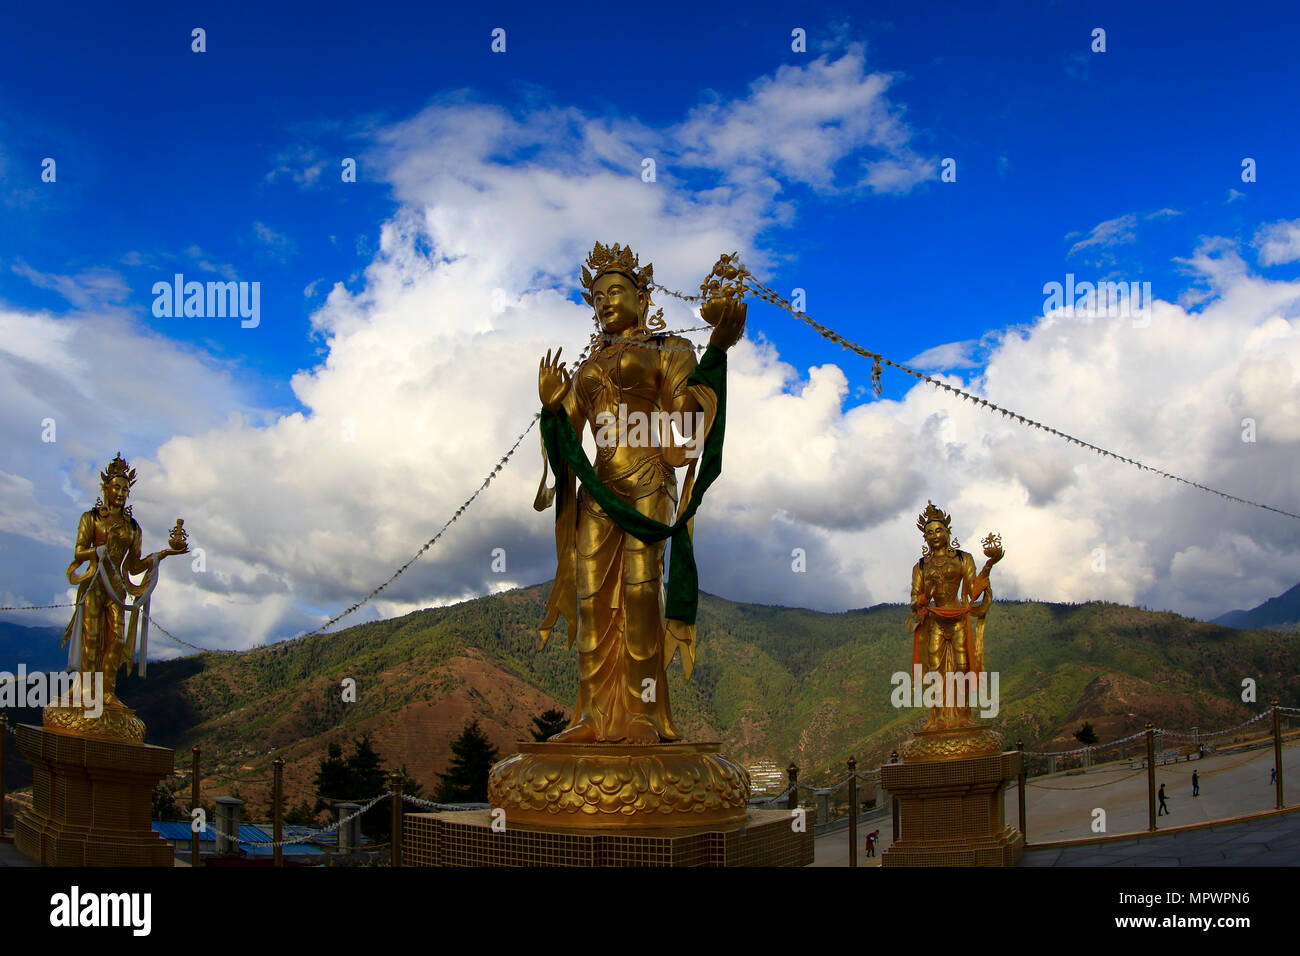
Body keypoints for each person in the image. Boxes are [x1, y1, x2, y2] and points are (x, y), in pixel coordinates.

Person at [536, 243, 746, 743]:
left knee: (641, 594)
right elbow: (567, 447)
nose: (606, 302)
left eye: (616, 291)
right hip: (598, 494)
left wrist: (715, 348)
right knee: (593, 603)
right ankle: (591, 715)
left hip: (649, 481)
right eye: (596, 296)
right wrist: (551, 408)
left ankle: (644, 713)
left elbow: (688, 422)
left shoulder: (668, 349)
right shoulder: (586, 370)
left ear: (643, 295)